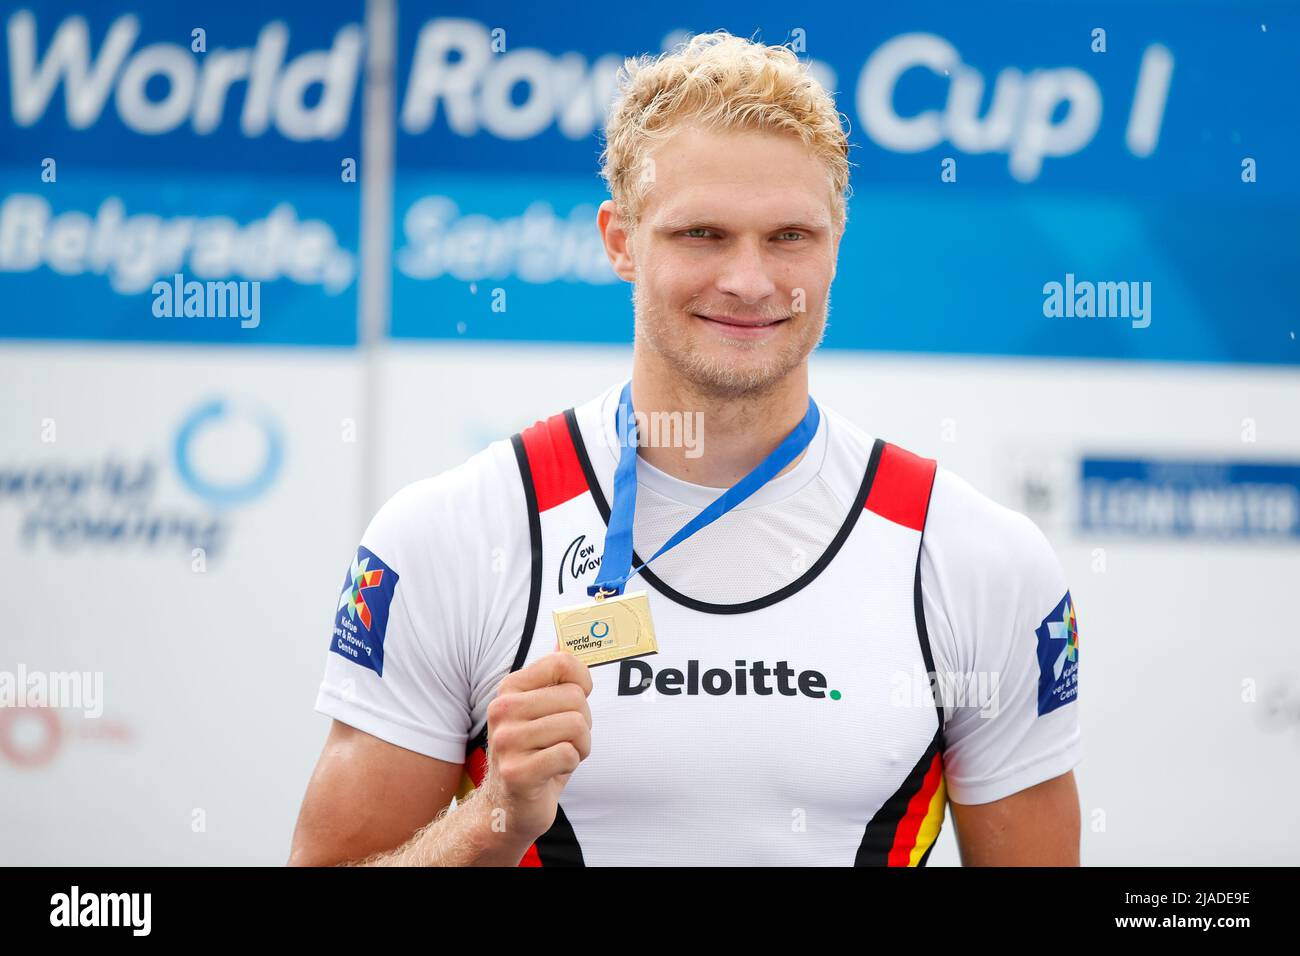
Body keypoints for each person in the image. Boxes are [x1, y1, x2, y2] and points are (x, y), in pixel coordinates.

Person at [289, 30, 1080, 866]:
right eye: (702, 234)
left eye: (789, 237)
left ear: (837, 242)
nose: (748, 281)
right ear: (621, 241)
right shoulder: (452, 535)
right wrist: (493, 815)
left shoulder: (976, 557)